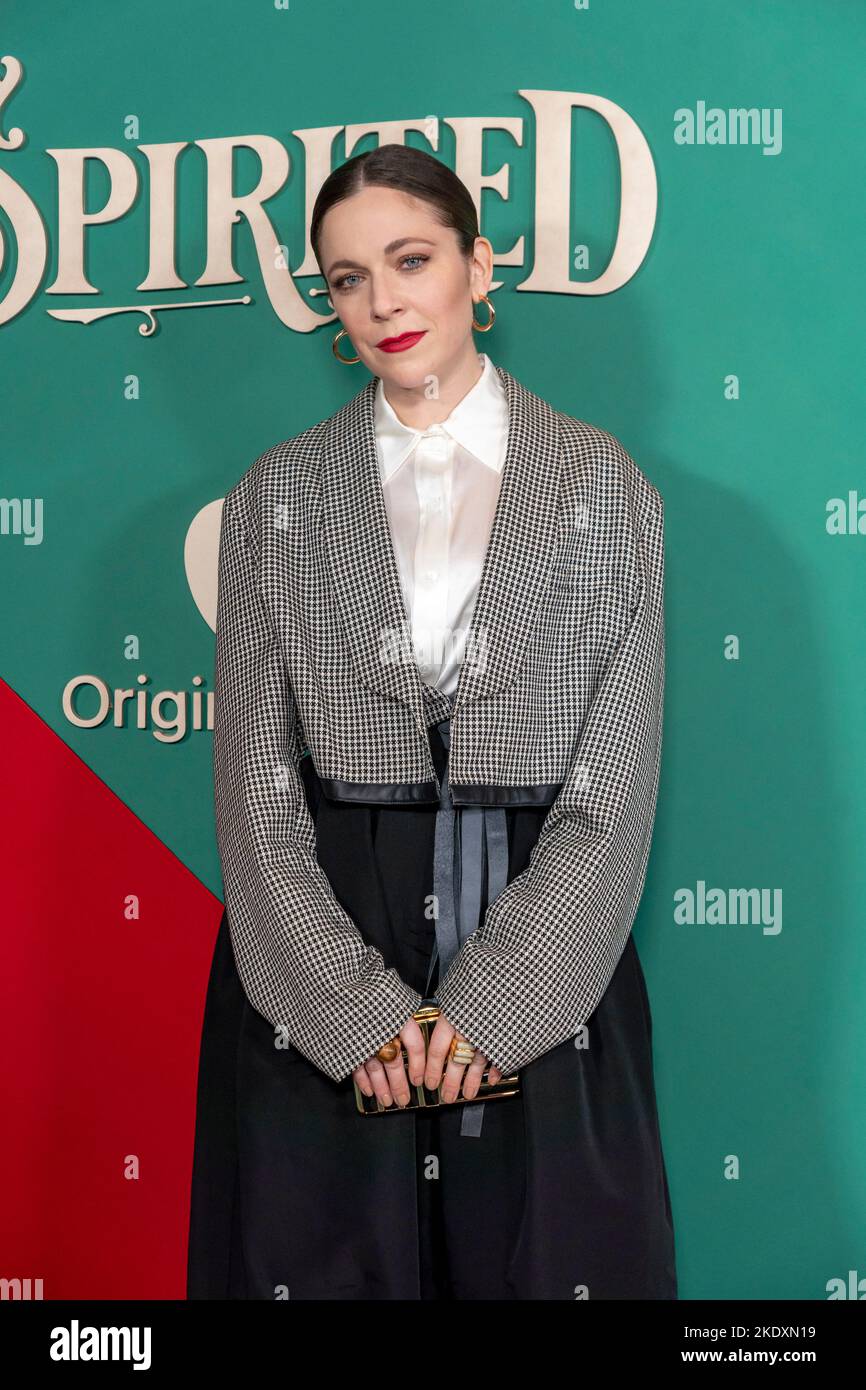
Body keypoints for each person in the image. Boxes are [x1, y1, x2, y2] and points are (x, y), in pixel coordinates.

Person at [186, 143, 677, 1300]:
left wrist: (497, 1005)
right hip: (318, 946)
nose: (382, 301)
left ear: (477, 264)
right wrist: (346, 1009)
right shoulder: (277, 492)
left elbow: (613, 780)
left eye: (409, 259)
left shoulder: (604, 486)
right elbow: (251, 783)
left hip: (545, 933)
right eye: (346, 279)